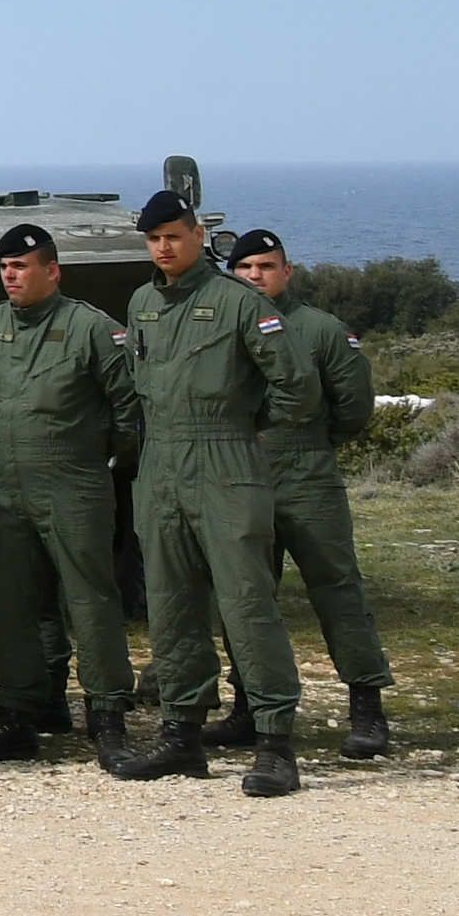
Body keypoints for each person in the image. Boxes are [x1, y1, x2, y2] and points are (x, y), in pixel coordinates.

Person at [128, 193, 319, 793]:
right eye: (153, 238)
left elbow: (296, 386)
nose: (163, 247)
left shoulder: (240, 303)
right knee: (171, 602)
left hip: (226, 458)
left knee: (245, 603)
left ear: (196, 235)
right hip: (161, 463)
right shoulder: (141, 303)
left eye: (173, 235)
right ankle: (181, 734)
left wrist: (244, 432)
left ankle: (274, 743)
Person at [0, 223, 143, 769]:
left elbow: (129, 414)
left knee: (89, 601)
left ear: (52, 270)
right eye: (4, 268)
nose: (10, 276)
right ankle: (21, 712)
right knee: (13, 605)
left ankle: (107, 715)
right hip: (7, 485)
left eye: (21, 266)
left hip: (74, 483)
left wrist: (95, 461)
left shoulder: (91, 330)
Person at [229, 229, 395, 757]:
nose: (256, 276)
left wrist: (312, 444)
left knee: (336, 588)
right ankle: (247, 709)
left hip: (306, 474)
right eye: (246, 268)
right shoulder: (224, 326)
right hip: (239, 470)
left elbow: (353, 406)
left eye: (266, 266)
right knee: (245, 596)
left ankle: (367, 708)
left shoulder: (321, 330)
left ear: (287, 272)